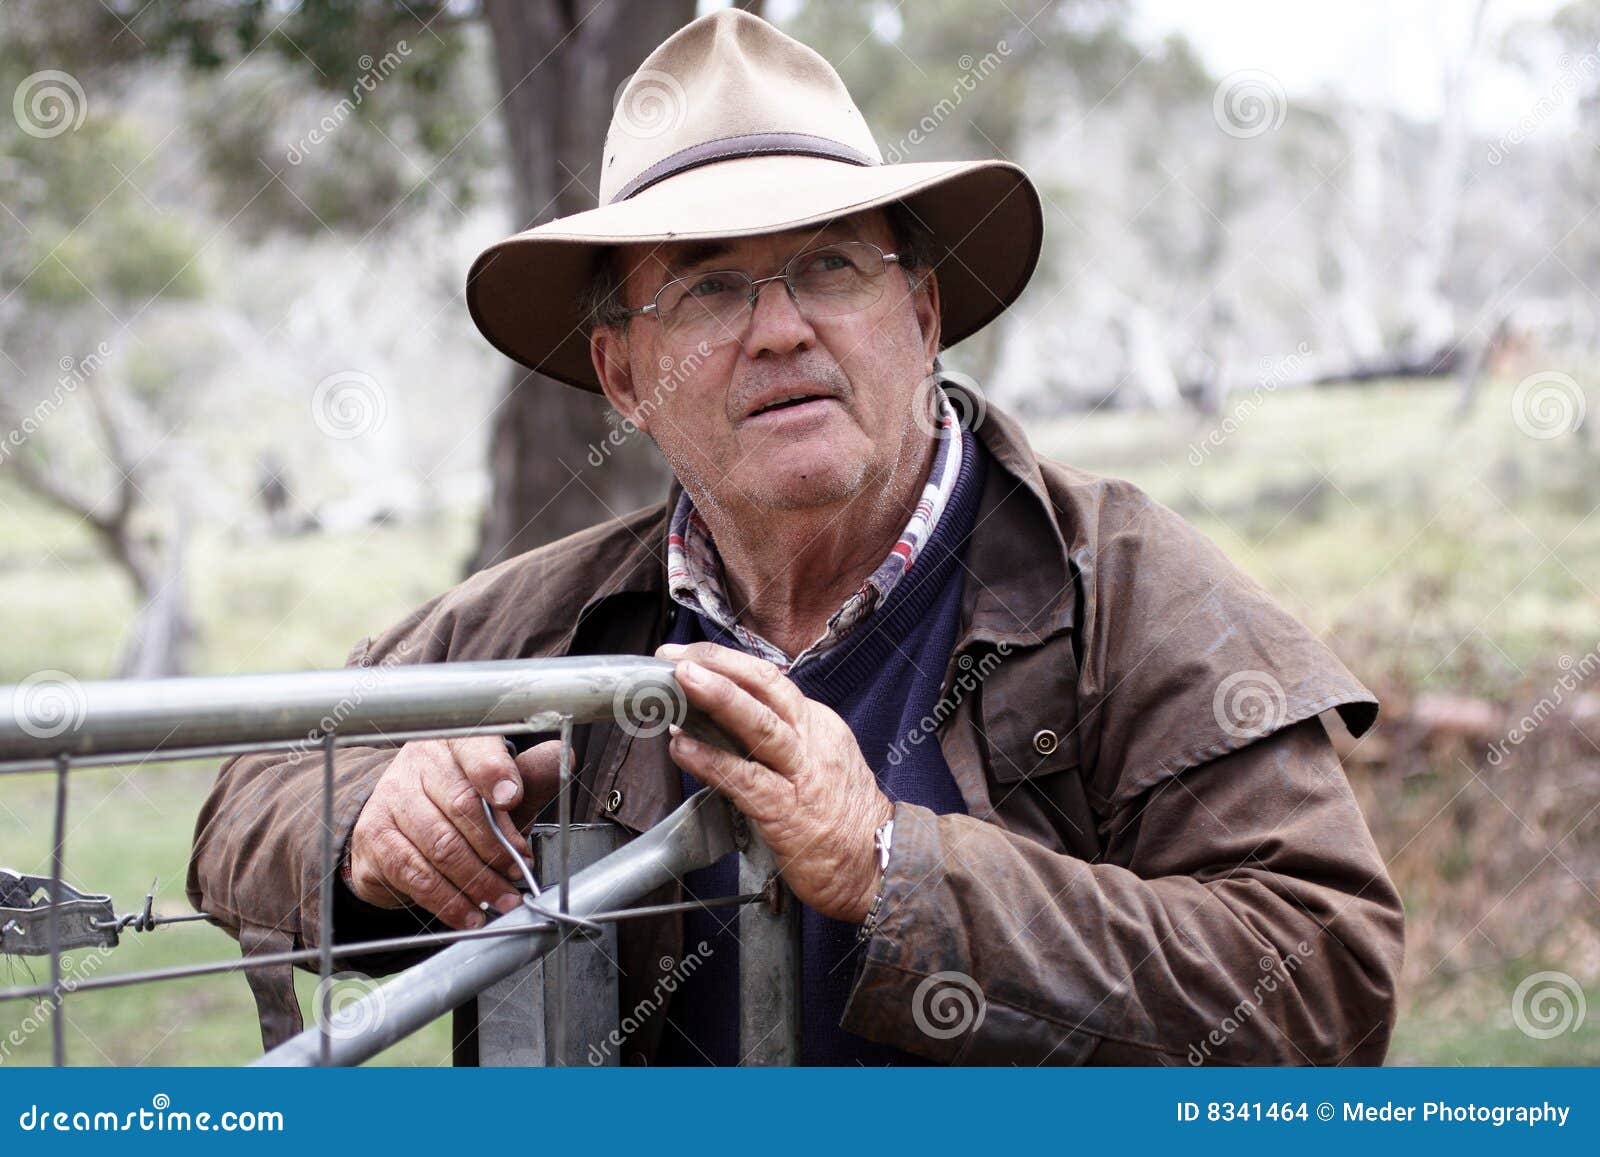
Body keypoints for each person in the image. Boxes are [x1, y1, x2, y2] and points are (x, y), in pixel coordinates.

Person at [189, 8, 1403, 1065]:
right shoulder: (553, 615)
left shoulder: (1120, 585)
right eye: (709, 287)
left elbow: (1325, 978)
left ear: (918, 314)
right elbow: (243, 793)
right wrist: (369, 824)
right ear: (622, 372)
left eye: (830, 266)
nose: (779, 329)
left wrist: (892, 866)